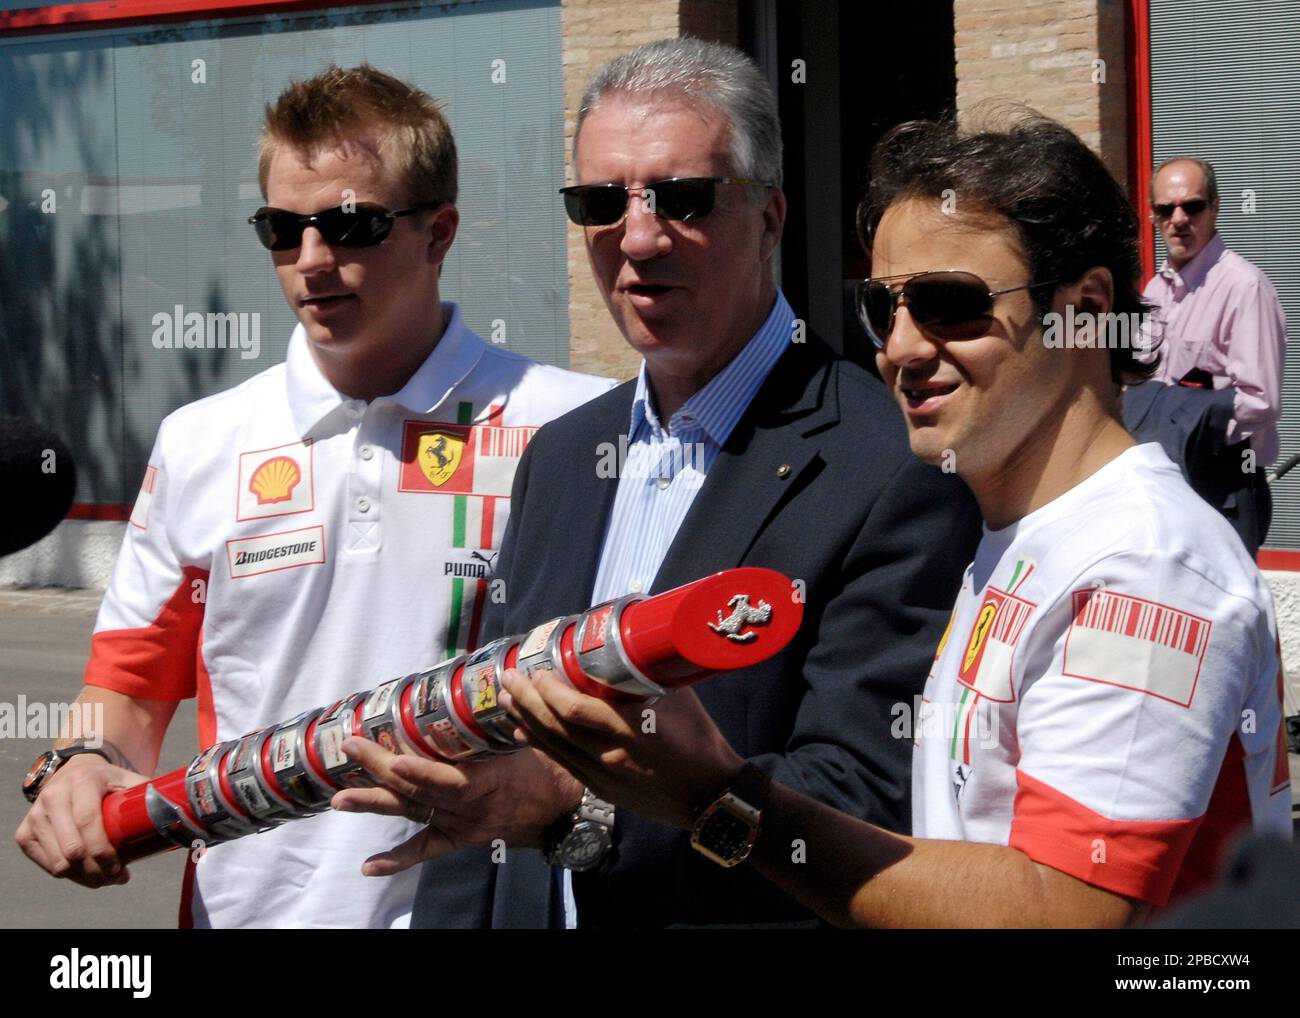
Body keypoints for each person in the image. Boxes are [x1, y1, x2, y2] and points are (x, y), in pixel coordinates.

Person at [491, 114, 1292, 927]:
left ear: (1085, 309)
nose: (902, 347)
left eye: (950, 304)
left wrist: (712, 794)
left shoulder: (1145, 561)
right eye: (882, 307)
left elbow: (1063, 910)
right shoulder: (1019, 537)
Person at [336, 38, 981, 928]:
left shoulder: (889, 465)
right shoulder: (561, 457)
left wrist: (579, 809)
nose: (638, 237)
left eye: (682, 198)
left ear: (770, 217)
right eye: (602, 202)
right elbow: (495, 769)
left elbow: (859, 799)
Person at [14, 64, 614, 928]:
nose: (310, 261)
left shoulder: (572, 423)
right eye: (281, 229)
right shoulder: (201, 440)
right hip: (249, 910)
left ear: (438, 232)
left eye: (351, 225)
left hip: (494, 906)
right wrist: (78, 762)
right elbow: (130, 691)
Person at [1141, 157, 1286, 548]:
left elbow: (1262, 401)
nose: (1179, 218)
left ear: (1216, 206)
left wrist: (1184, 421)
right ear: (1153, 215)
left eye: (1193, 206)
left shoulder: (1244, 288)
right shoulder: (1154, 292)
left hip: (1221, 482)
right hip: (1164, 485)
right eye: (1165, 209)